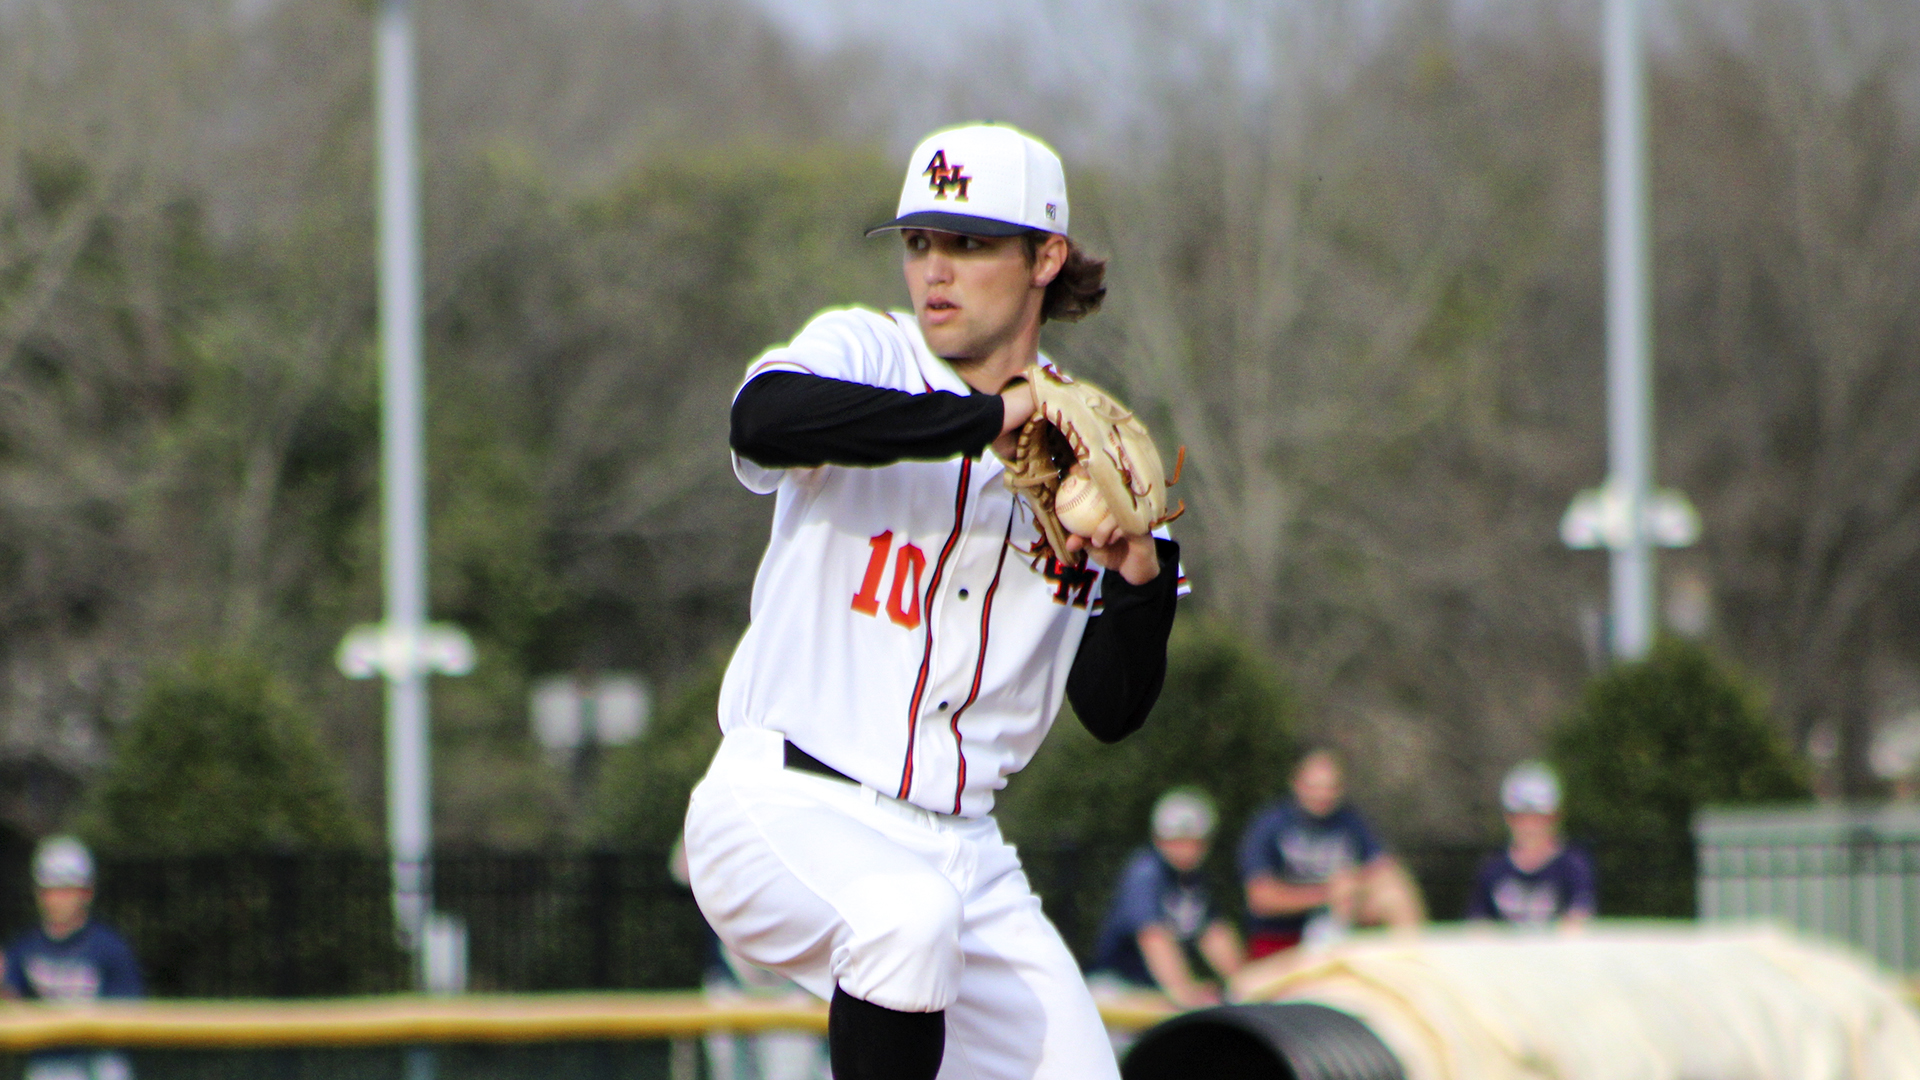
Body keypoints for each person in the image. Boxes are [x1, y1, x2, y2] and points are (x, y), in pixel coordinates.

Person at [683, 121, 1185, 1080]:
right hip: (786, 802)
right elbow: (763, 419)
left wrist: (1136, 573)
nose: (934, 271)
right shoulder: (866, 352)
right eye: (918, 242)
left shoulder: (1092, 452)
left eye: (969, 243)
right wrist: (988, 416)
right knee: (903, 920)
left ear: (1046, 258)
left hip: (966, 854)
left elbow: (1112, 709)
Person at [1237, 749, 1424, 959]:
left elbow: (1384, 867)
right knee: (1345, 891)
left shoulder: (1349, 820)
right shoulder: (1270, 824)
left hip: (1338, 920)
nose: (1322, 794)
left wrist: (1353, 883)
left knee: (1393, 890)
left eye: (1331, 787)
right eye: (1314, 786)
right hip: (1282, 935)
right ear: (1296, 784)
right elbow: (1260, 899)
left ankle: (1413, 960)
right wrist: (1328, 893)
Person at [3, 836, 143, 1080]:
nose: (58, 899)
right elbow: (11, 1001)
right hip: (48, 1065)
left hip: (99, 1065)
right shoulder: (25, 947)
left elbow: (129, 1020)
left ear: (87, 893)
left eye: (68, 889)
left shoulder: (110, 948)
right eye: (50, 889)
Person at [1088, 789, 1242, 1007]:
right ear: (1158, 840)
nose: (1186, 849)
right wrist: (1187, 994)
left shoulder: (1193, 878)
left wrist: (1242, 985)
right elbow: (1153, 937)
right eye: (1177, 840)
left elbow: (1214, 933)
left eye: (1194, 841)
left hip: (1153, 991)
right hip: (1117, 987)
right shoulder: (1145, 873)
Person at [1467, 761, 1596, 929]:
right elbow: (1478, 925)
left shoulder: (1572, 866)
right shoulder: (1493, 869)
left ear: (1555, 818)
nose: (1529, 826)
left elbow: (1579, 918)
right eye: (1520, 817)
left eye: (1538, 818)